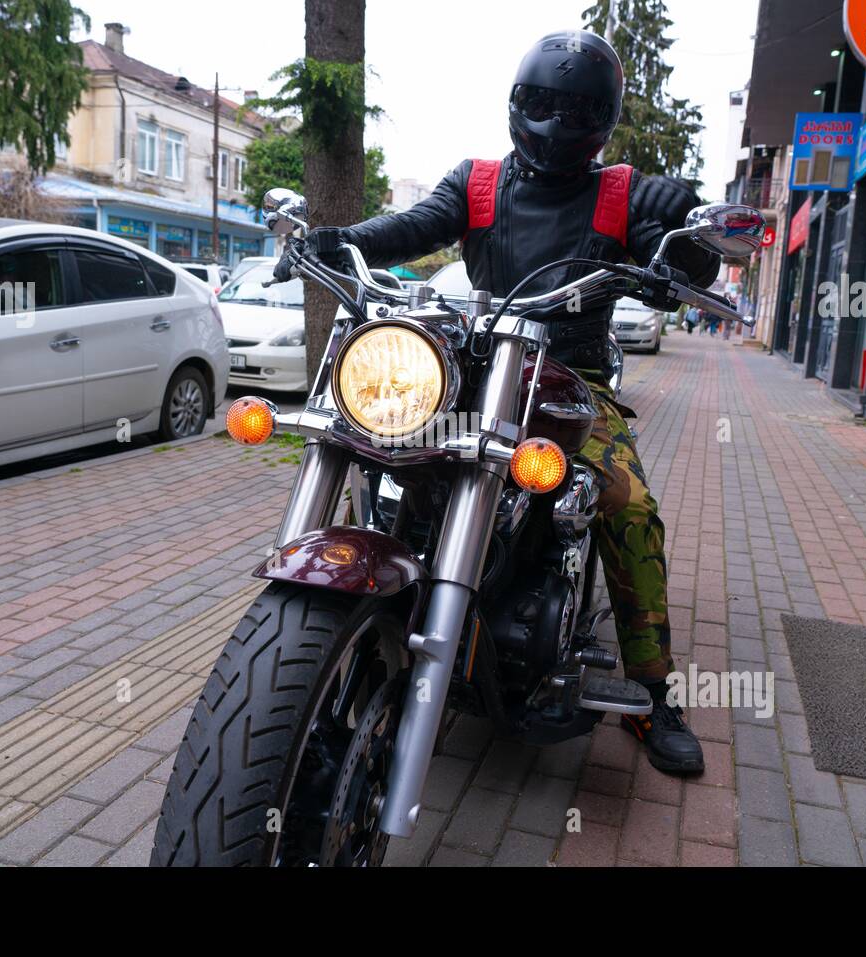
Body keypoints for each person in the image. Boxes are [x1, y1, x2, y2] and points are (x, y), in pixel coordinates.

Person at [280, 30, 718, 774]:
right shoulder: (478, 182)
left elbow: (676, 260)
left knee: (629, 505)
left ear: (602, 119)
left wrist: (685, 233)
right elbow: (414, 227)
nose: (554, 120)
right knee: (389, 449)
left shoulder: (621, 191)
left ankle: (655, 691)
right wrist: (342, 239)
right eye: (541, 103)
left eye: (574, 109)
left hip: (575, 378)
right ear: (517, 104)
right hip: (479, 370)